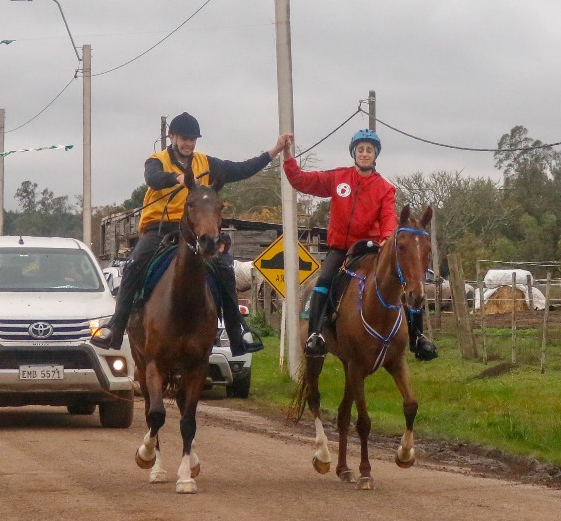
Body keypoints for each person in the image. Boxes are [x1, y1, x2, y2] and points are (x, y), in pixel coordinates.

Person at [92, 112, 286, 354]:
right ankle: (115, 328)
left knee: (225, 268)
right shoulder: (157, 160)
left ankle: (238, 334)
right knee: (134, 265)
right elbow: (153, 178)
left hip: (194, 230)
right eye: (184, 138)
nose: (189, 144)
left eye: (193, 139)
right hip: (160, 228)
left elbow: (239, 169)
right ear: (171, 137)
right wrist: (177, 178)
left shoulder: (205, 162)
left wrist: (274, 151)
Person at [283, 128, 437, 361]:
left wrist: (386, 237)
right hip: (340, 249)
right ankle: (316, 334)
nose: (365, 153)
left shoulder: (385, 188)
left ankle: (417, 336)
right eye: (361, 149)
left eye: (369, 150)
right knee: (324, 280)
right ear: (354, 152)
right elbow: (301, 180)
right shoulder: (337, 178)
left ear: (375, 155)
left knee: (402, 279)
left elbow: (388, 217)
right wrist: (287, 156)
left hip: (370, 248)